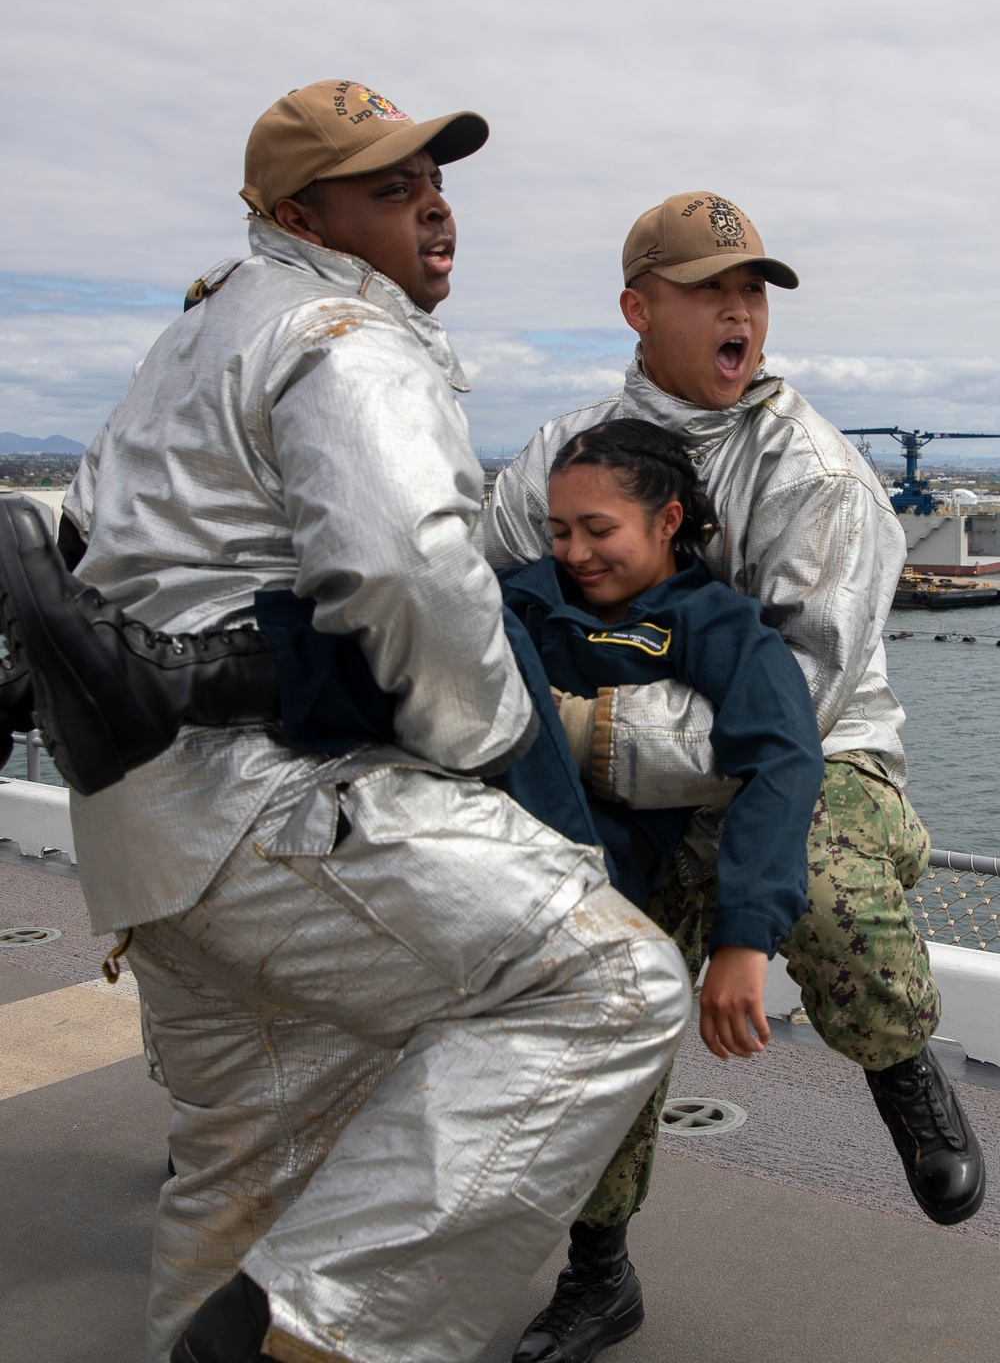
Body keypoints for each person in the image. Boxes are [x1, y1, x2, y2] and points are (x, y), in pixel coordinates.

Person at [0, 83, 693, 1363]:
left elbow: (98, 545)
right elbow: (409, 570)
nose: (433, 205)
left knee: (247, 1163)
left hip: (145, 842)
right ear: (295, 212)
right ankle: (316, 1329)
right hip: (276, 806)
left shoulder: (192, 341)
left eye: (435, 182)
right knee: (608, 980)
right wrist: (488, 751)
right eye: (390, 187)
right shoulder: (341, 335)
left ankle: (231, 1324)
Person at [483, 191, 986, 1363]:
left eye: (752, 289)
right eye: (711, 288)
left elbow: (795, 703)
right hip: (613, 763)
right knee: (597, 986)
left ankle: (898, 1058)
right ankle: (598, 1270)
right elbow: (478, 610)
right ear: (635, 308)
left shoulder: (816, 472)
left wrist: (583, 733)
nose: (740, 311)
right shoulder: (557, 459)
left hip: (818, 748)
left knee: (811, 876)